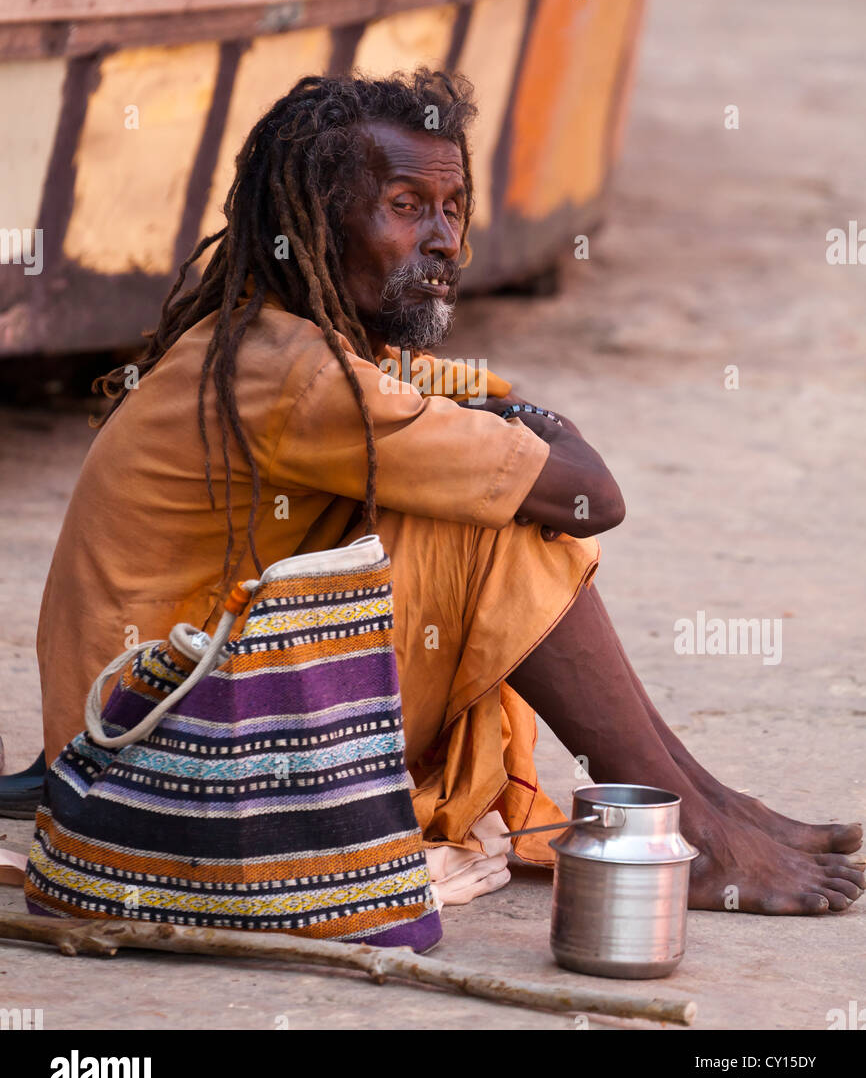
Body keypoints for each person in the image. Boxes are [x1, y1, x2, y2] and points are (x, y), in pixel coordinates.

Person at [3, 68, 862, 915]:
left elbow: (504, 417)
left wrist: (508, 416)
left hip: (160, 731)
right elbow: (590, 494)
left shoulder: (291, 347)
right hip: (161, 771)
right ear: (315, 225)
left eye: (453, 209)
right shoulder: (297, 376)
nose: (444, 240)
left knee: (484, 494)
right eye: (406, 207)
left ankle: (702, 805)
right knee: (496, 527)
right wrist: (522, 423)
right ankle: (692, 832)